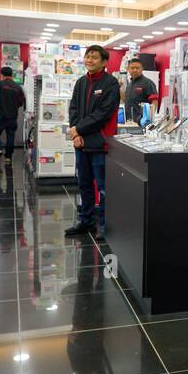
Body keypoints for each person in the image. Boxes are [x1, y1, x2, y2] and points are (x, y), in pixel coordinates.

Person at [64, 45, 120, 239]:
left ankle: (105, 225)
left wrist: (78, 129)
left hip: (100, 145)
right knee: (84, 184)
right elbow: (73, 109)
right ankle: (86, 221)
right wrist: (75, 132)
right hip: (81, 143)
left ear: (104, 62)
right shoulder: (81, 82)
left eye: (94, 57)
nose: (89, 60)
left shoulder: (111, 83)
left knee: (104, 187)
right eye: (87, 56)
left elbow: (102, 114)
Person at [0, 66, 27, 164]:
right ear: (12, 75)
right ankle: (8, 158)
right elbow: (21, 102)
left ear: (2, 75)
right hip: (12, 116)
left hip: (0, 114)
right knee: (10, 136)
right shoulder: (18, 87)